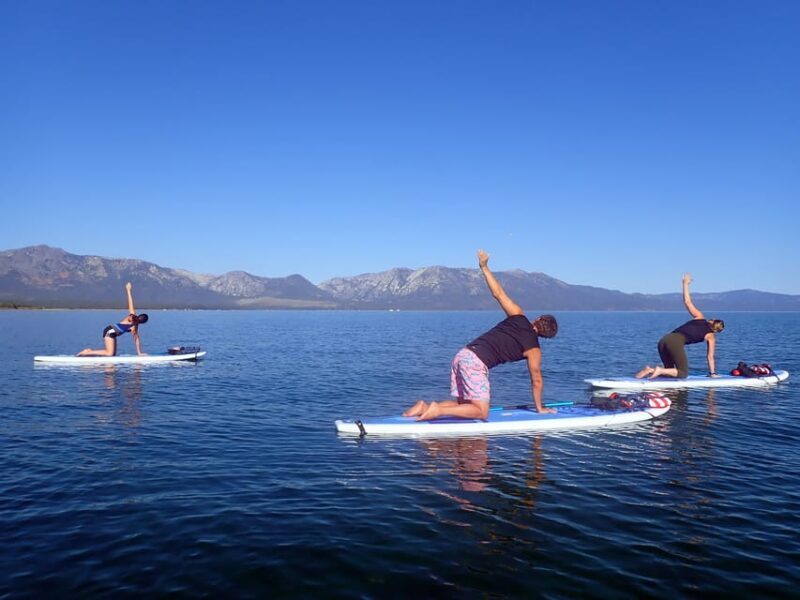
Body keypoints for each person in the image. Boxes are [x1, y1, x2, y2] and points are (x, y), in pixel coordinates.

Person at [404, 250, 559, 421]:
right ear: (545, 336)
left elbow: (498, 293)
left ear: (537, 319)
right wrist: (540, 408)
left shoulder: (518, 315)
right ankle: (437, 410)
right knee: (481, 412)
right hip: (475, 363)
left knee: (465, 405)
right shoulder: (534, 350)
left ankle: (424, 407)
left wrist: (484, 267)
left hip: (463, 355)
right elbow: (536, 380)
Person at [635, 273, 724, 379]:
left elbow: (687, 302)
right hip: (675, 343)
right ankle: (656, 370)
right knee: (682, 373)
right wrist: (712, 373)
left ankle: (648, 372)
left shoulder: (699, 316)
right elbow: (710, 357)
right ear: (716, 331)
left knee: (670, 373)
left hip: (664, 340)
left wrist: (685, 284)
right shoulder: (711, 336)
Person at [78, 282, 149, 356]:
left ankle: (90, 356)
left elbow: (130, 303)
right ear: (143, 323)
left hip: (112, 332)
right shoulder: (133, 324)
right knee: (109, 353)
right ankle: (88, 352)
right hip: (110, 331)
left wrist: (128, 290)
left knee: (112, 355)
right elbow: (136, 340)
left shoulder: (132, 316)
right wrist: (139, 352)